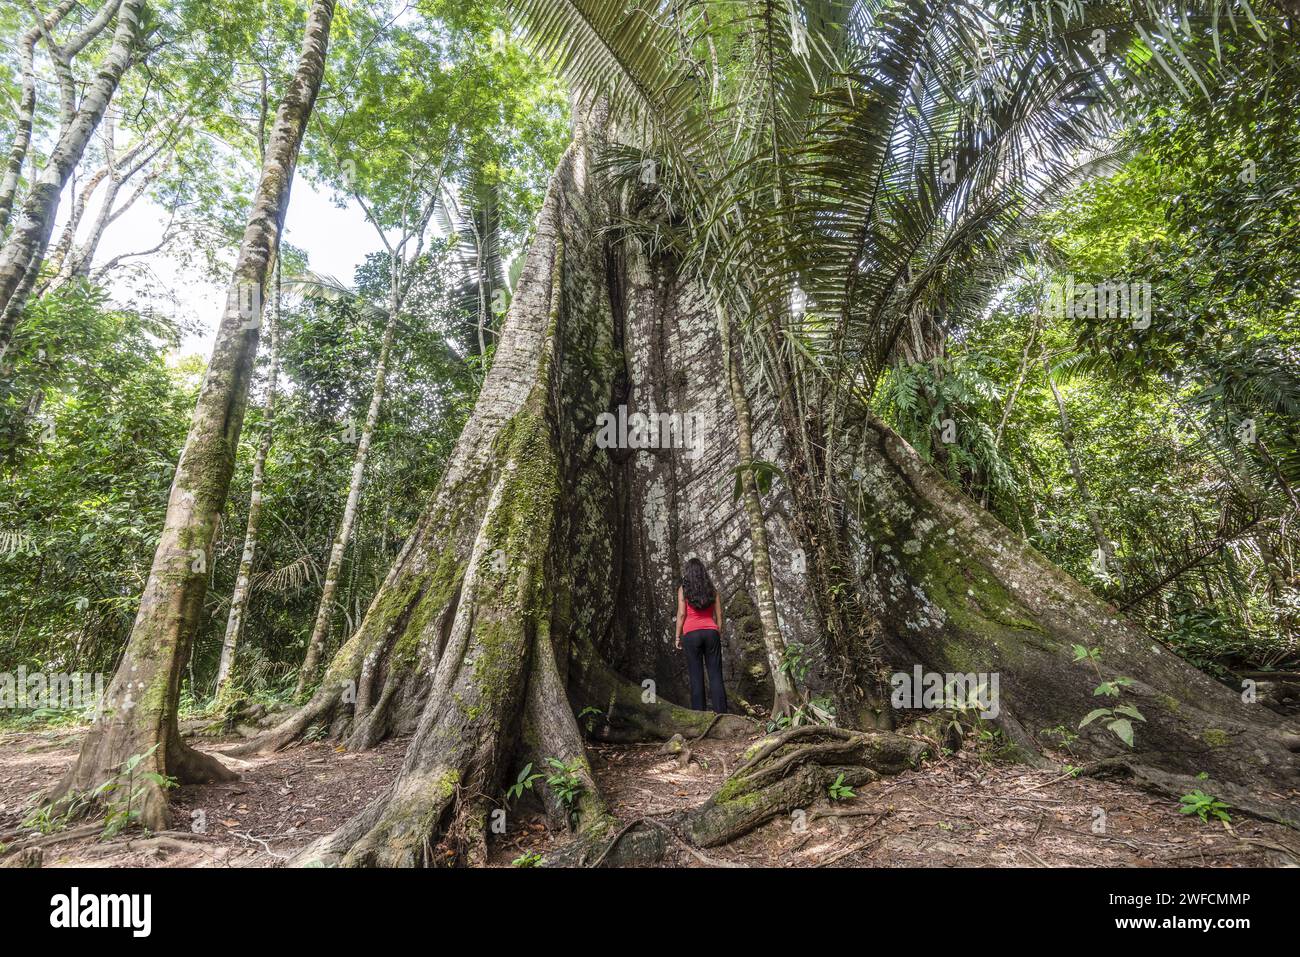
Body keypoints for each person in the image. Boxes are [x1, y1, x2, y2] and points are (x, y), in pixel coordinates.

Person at [675, 557, 727, 713]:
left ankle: (700, 716)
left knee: (696, 677)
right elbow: (719, 615)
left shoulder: (683, 589)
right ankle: (722, 714)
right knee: (716, 675)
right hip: (711, 633)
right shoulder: (712, 589)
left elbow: (682, 614)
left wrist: (677, 636)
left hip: (691, 634)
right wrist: (716, 631)